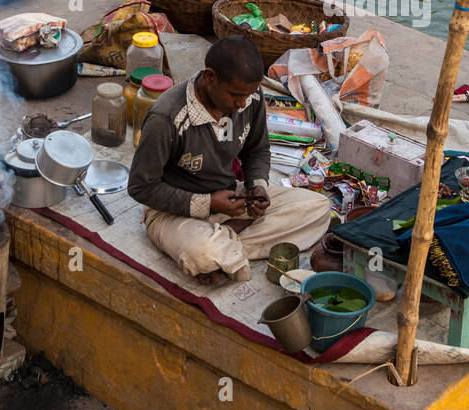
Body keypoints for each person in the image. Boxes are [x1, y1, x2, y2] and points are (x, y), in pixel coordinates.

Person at [128, 35, 332, 286]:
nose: (242, 103)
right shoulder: (166, 117)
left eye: (247, 95)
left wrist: (257, 185)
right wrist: (206, 204)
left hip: (230, 199)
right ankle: (217, 250)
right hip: (172, 212)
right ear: (210, 77)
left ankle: (224, 250)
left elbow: (257, 149)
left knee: (319, 208)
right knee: (201, 252)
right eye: (236, 95)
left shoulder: (249, 98)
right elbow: (141, 186)